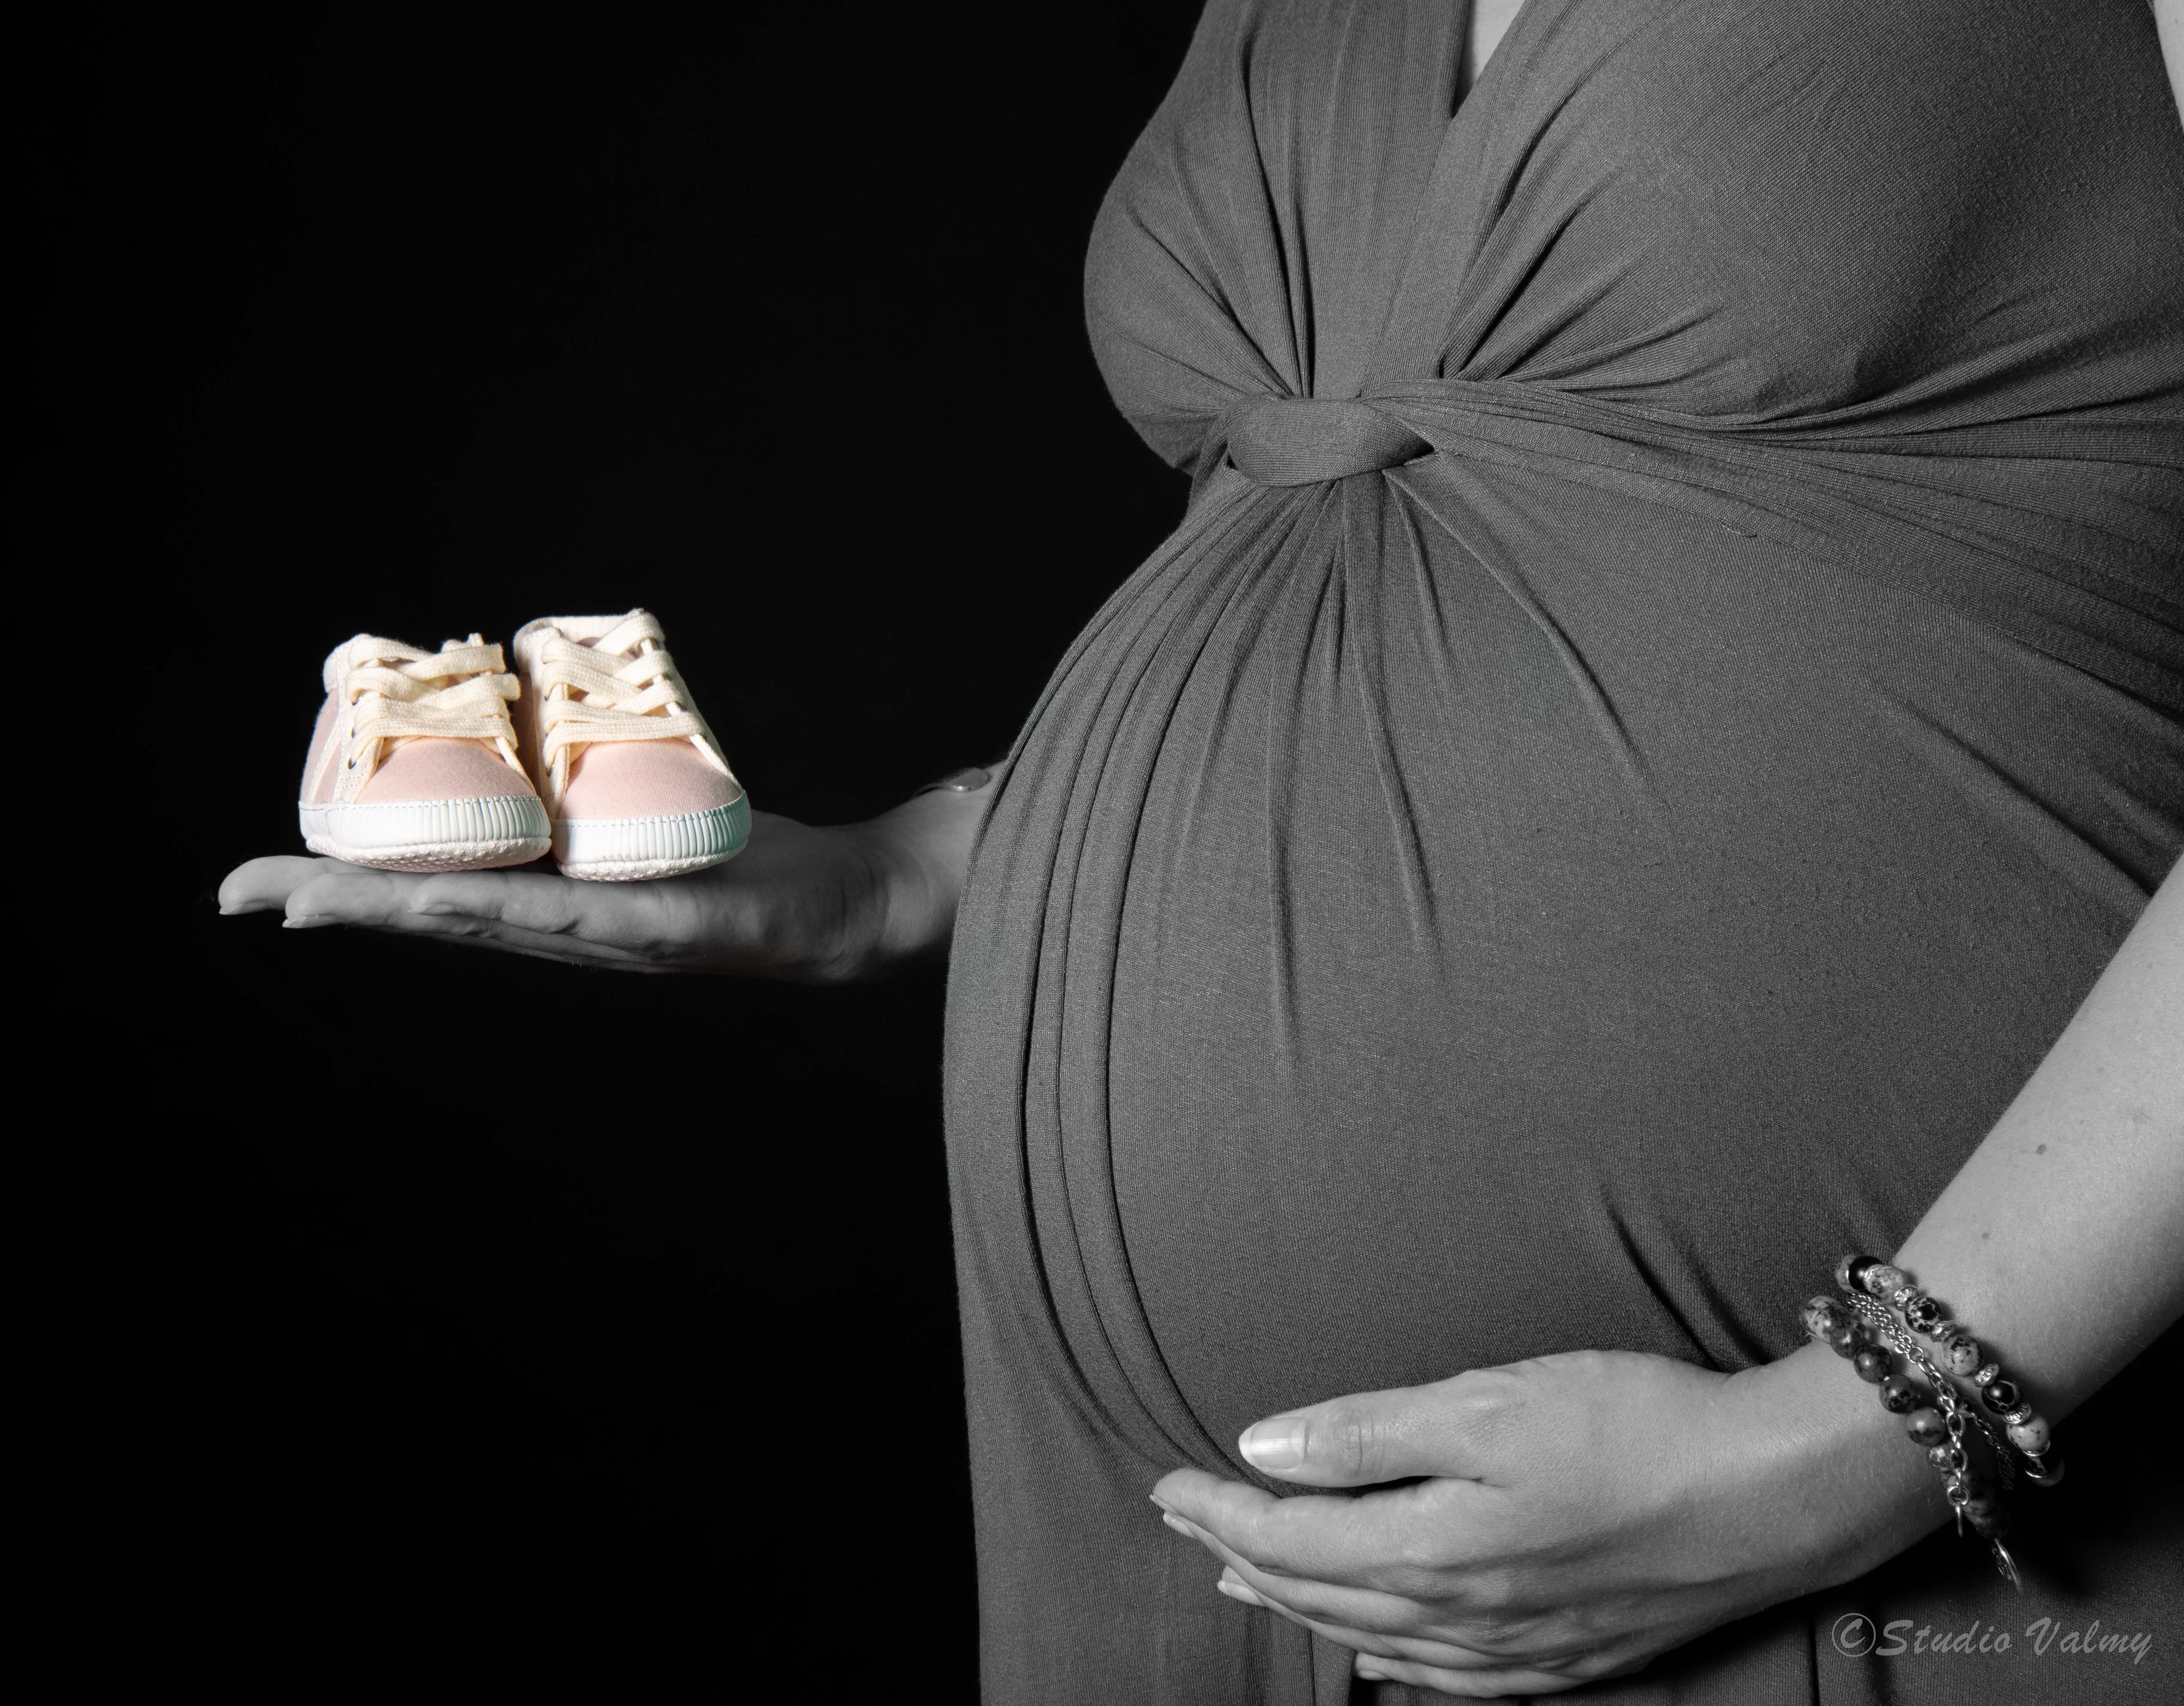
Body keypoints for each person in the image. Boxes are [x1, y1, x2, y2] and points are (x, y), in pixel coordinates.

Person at [224, 0, 2184, 1697]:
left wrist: (1861, 1432)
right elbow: (1364, 554)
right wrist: (904, 876)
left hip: (1909, 1479)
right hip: (1165, 1535)